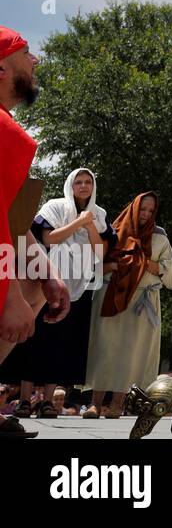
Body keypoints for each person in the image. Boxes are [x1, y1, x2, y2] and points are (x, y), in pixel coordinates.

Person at [0, 27, 71, 436]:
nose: (36, 61)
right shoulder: (5, 133)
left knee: (37, 280)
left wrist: (49, 273)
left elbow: (14, 219)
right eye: (27, 52)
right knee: (23, 286)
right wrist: (9, 297)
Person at [6, 166, 112, 407]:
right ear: (70, 184)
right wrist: (79, 223)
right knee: (35, 339)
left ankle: (48, 401)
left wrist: (91, 224)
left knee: (61, 344)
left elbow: (101, 250)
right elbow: (48, 238)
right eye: (79, 181)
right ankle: (24, 399)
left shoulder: (99, 213)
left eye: (88, 182)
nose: (84, 186)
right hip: (47, 281)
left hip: (81, 284)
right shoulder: (54, 206)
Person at [84, 192, 172, 418]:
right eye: (142, 209)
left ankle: (118, 404)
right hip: (110, 294)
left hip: (142, 302)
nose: (145, 214)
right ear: (134, 207)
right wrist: (117, 266)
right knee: (104, 348)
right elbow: (93, 265)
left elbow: (168, 274)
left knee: (131, 351)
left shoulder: (159, 237)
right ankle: (95, 403)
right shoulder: (113, 231)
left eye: (150, 211)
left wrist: (139, 262)